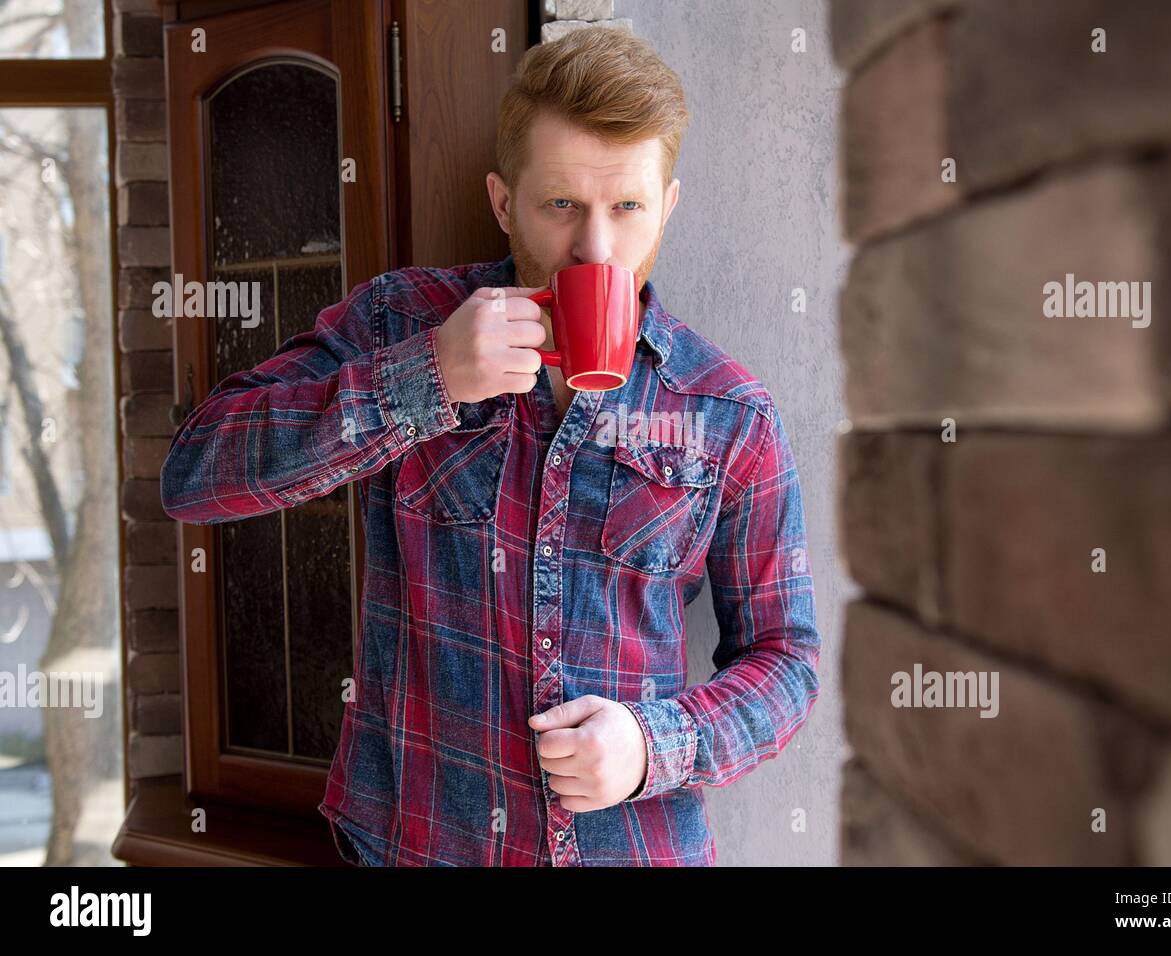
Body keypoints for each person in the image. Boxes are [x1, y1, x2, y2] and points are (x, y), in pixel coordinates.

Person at [160, 26, 819, 867]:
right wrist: (423, 381)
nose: (596, 249)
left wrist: (658, 744)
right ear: (503, 202)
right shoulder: (403, 324)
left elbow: (787, 661)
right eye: (561, 206)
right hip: (414, 845)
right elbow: (193, 475)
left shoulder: (729, 412)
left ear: (668, 205)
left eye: (628, 207)